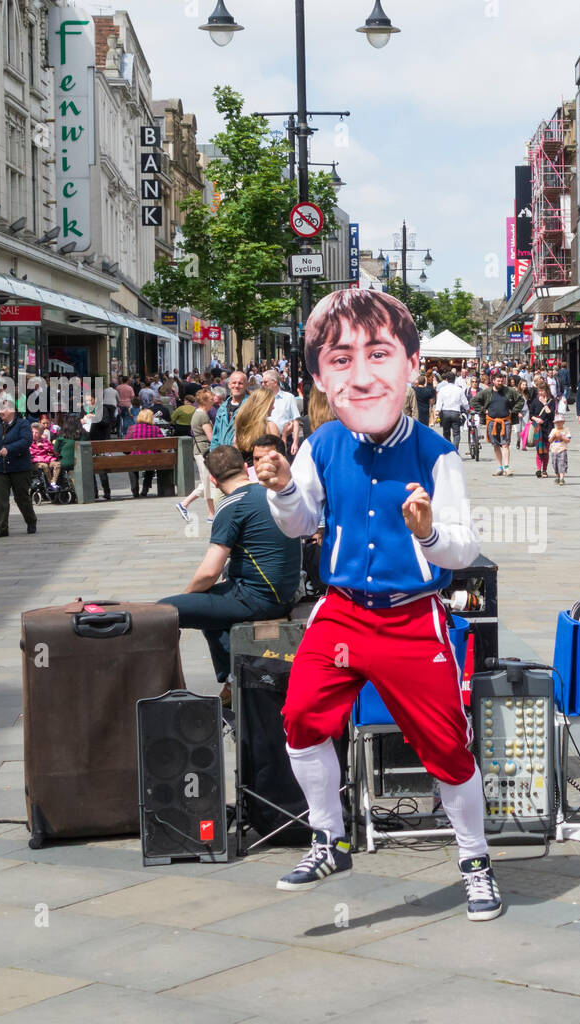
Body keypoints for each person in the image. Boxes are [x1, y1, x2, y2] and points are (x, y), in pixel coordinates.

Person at [255, 288, 501, 922]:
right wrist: (283, 489)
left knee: (446, 748)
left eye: (380, 355)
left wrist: (425, 531)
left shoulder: (437, 454)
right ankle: (329, 837)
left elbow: (463, 549)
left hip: (413, 618)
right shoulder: (323, 444)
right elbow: (300, 521)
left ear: (411, 366)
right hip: (340, 611)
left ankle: (475, 861)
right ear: (319, 376)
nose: (361, 376)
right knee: (302, 718)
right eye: (340, 359)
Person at [161, 445, 301, 706]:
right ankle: (230, 682)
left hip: (257, 598)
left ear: (213, 479)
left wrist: (187, 596)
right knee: (211, 605)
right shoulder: (271, 494)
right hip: (285, 593)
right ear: (244, 467)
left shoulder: (233, 504)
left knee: (164, 611)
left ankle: (169, 692)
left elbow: (209, 572)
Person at [0, 395, 38, 537]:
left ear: (12, 410)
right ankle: (1, 528)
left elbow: (26, 441)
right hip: (0, 468)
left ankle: (31, 520)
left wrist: (9, 448)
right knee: (1, 499)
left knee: (21, 498)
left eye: (3, 409)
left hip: (19, 467)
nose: (0, 412)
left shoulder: (23, 424)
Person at [177, 387, 217, 522]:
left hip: (199, 450)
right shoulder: (203, 415)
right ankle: (211, 513)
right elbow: (210, 437)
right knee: (208, 481)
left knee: (206, 481)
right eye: (211, 399)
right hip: (204, 451)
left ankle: (184, 504)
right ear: (205, 402)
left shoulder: (197, 413)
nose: (213, 401)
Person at [473, 372, 523, 477]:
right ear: (493, 381)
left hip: (506, 421)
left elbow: (520, 400)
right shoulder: (486, 392)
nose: (500, 383)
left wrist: (513, 411)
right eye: (498, 381)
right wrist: (483, 410)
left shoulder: (509, 391)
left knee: (505, 444)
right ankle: (499, 467)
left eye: (502, 381)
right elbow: (474, 401)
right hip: (491, 421)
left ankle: (507, 467)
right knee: (495, 445)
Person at [126, 409, 164, 498]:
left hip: (135, 458)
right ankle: (145, 489)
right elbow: (162, 443)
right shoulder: (155, 429)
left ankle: (135, 490)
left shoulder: (132, 428)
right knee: (150, 464)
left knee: (132, 467)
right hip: (151, 459)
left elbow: (126, 446)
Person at [211, 371, 248, 448]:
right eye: (234, 383)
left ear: (246, 385)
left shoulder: (251, 406)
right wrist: (213, 455)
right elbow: (215, 436)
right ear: (229, 385)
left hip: (241, 456)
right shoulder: (222, 408)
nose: (236, 386)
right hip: (222, 455)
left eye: (240, 383)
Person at [527, 380, 553, 478]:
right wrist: (536, 419)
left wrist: (545, 404)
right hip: (537, 428)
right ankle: (538, 469)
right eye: (539, 391)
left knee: (545, 450)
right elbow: (531, 415)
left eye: (542, 391)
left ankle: (544, 470)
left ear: (547, 390)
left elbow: (551, 415)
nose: (540, 393)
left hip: (547, 428)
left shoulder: (551, 400)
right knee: (539, 450)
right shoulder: (535, 400)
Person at [29, 422, 61, 491]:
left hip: (47, 459)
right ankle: (50, 483)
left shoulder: (44, 441)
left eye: (36, 432)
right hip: (35, 462)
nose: (34, 434)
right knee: (44, 466)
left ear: (40, 433)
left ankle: (53, 482)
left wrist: (44, 446)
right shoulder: (28, 441)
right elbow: (30, 453)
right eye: (32, 432)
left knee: (57, 464)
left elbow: (53, 449)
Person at [547, 414, 571, 486]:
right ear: (555, 423)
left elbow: (568, 440)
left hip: (562, 449)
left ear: (563, 422)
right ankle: (557, 476)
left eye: (560, 422)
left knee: (562, 464)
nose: (559, 423)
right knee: (555, 465)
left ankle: (561, 478)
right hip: (554, 450)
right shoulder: (553, 430)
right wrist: (554, 436)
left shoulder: (566, 430)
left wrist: (562, 437)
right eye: (557, 422)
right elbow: (550, 441)